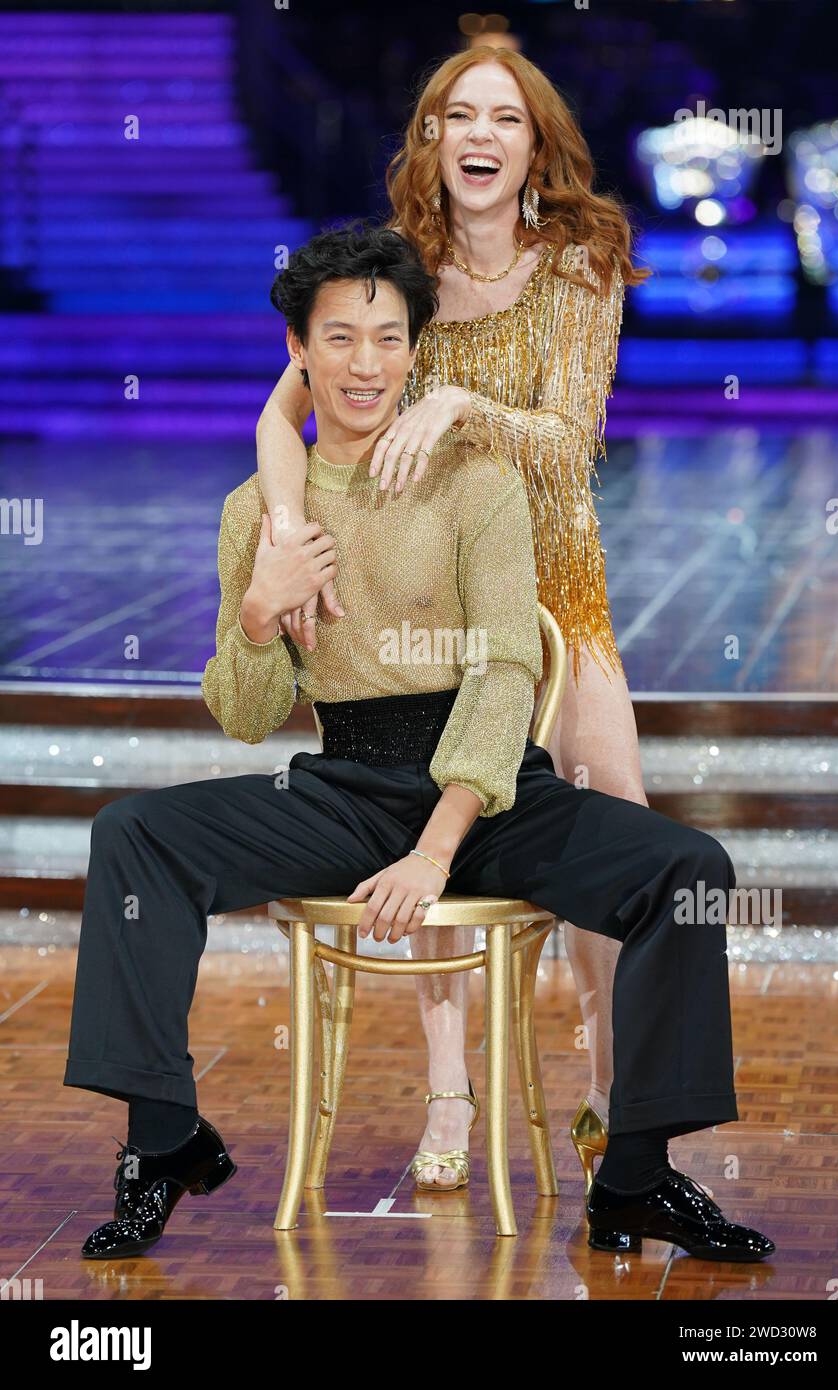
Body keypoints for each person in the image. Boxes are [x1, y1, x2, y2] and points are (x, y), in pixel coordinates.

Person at [63, 225, 774, 1263]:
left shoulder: (473, 482)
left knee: (688, 869)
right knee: (133, 834)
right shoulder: (260, 510)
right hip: (343, 786)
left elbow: (504, 673)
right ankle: (162, 1140)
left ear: (412, 350)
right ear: (299, 352)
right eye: (340, 338)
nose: (365, 363)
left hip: (489, 798)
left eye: (388, 339)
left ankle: (636, 1176)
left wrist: (436, 848)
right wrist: (260, 615)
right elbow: (246, 713)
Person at [254, 47, 649, 1193]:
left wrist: (466, 404)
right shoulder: (398, 271)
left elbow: (570, 443)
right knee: (426, 818)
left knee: (617, 816)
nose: (479, 133)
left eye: (504, 118)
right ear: (432, 138)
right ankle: (450, 1090)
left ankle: (613, 1079)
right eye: (455, 114)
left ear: (534, 148)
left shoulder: (580, 264)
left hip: (554, 583)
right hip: (424, 587)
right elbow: (280, 418)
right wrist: (286, 529)